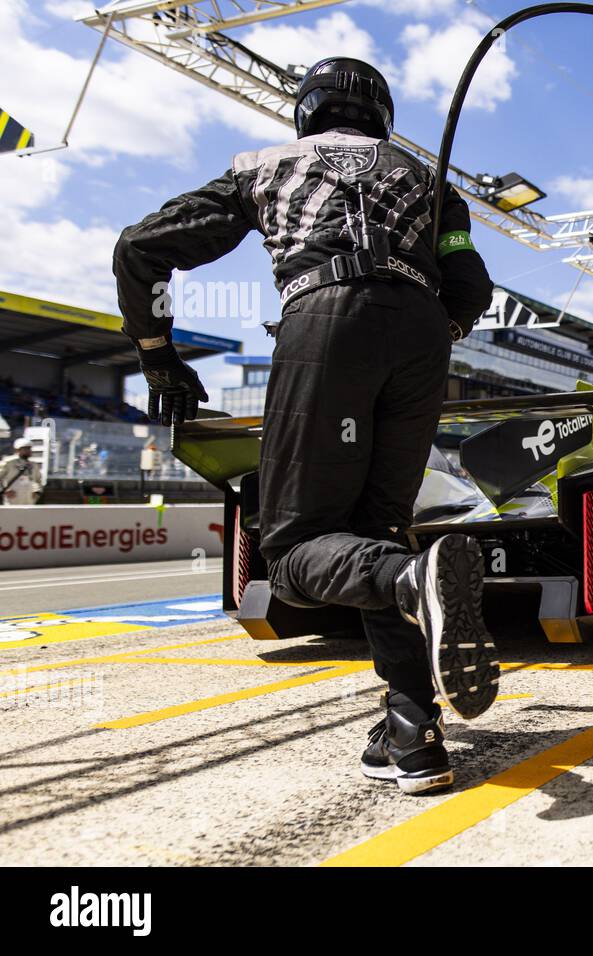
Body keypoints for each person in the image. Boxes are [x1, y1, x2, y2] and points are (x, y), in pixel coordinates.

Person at [113, 57, 496, 795]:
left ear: (306, 111)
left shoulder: (262, 165)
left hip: (325, 318)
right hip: (422, 337)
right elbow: (469, 283)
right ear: (383, 116)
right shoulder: (431, 181)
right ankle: (414, 734)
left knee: (291, 553)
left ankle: (416, 579)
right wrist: (425, 329)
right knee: (376, 530)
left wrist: (158, 356)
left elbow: (140, 248)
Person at [1, 438, 44, 505]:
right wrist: (6, 491)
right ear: (18, 450)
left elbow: (38, 480)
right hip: (13, 498)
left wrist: (37, 491)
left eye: (29, 449)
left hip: (28, 499)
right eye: (25, 449)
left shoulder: (33, 465)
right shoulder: (8, 463)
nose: (28, 451)